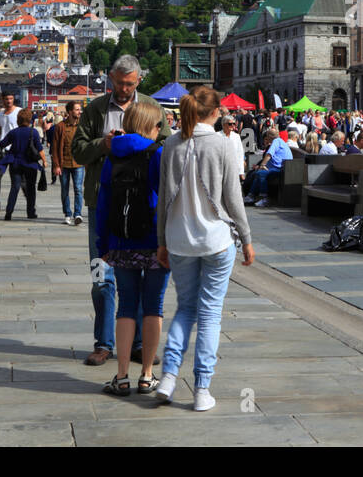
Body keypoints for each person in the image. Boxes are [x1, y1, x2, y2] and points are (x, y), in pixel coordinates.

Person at [154, 86, 255, 409]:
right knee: (210, 314)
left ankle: (168, 377)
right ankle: (201, 390)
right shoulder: (223, 145)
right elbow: (233, 198)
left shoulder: (171, 143)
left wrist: (161, 242)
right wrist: (247, 238)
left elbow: (163, 199)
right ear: (214, 113)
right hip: (215, 240)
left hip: (180, 238)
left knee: (184, 309)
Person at [71, 55, 171, 368]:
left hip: (144, 206)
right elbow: (77, 150)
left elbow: (167, 148)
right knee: (102, 275)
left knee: (141, 275)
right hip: (104, 202)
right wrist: (104, 145)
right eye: (118, 82)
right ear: (110, 79)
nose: (123, 88)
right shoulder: (96, 109)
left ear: (139, 80)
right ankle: (103, 343)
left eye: (129, 83)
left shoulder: (153, 109)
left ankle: (139, 344)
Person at [95, 102, 168, 396]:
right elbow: (167, 200)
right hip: (154, 242)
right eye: (158, 125)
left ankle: (122, 376)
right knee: (153, 307)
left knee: (125, 307)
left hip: (121, 241)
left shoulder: (112, 156)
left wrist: (104, 244)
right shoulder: (158, 154)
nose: (160, 131)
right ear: (151, 126)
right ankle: (147, 375)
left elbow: (102, 205)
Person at [0, 108, 46, 221]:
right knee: (31, 188)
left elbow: (2, 144)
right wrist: (44, 161)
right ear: (30, 120)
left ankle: (8, 212)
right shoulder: (33, 132)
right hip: (30, 164)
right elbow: (39, 149)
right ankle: (30, 212)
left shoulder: (13, 132)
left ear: (18, 120)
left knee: (14, 187)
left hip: (15, 163)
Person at [51, 101, 84, 225]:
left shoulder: (82, 126)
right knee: (65, 190)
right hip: (63, 163)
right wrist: (56, 165)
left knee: (78, 189)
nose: (79, 112)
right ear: (70, 112)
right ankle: (68, 214)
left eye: (79, 109)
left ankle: (78, 214)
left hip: (78, 163)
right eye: (76, 109)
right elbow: (54, 148)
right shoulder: (60, 126)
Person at [0, 93, 21, 211]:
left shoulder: (19, 112)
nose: (9, 101)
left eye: (11, 98)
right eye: (6, 99)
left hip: (16, 150)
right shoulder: (0, 115)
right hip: (2, 149)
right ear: (2, 100)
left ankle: (30, 203)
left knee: (20, 179)